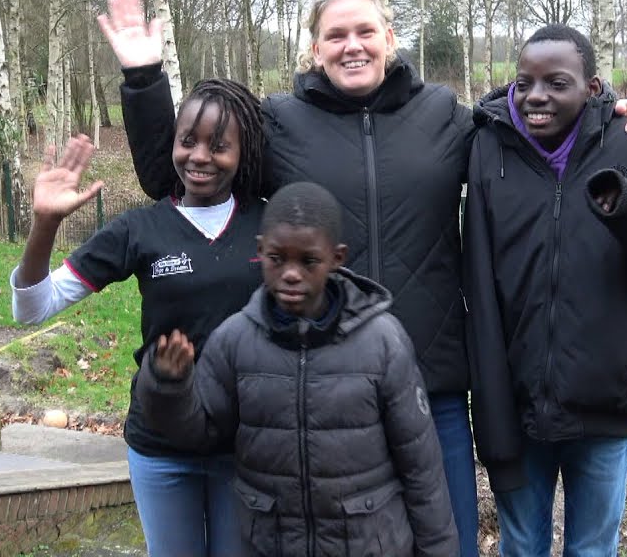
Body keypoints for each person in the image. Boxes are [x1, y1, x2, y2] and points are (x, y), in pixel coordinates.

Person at [98, 0, 627, 557]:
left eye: (365, 31)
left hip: (434, 390)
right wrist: (143, 79)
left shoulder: (443, 115)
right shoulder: (278, 125)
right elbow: (177, 175)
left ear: (389, 38)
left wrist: (612, 109)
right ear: (314, 49)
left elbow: (535, 115)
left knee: (448, 545)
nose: (353, 45)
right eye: (335, 35)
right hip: (324, 398)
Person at [462, 24, 627, 557]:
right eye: (525, 82)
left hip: (604, 405)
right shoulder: (488, 144)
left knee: (594, 550)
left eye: (557, 83)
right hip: (517, 407)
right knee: (521, 546)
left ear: (592, 88)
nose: (536, 96)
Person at [9, 78, 268, 557]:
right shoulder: (139, 229)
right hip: (161, 446)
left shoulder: (269, 226)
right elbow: (32, 307)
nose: (199, 157)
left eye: (218, 146)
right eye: (187, 141)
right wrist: (45, 223)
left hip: (245, 447)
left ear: (243, 152)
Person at [137, 181, 459, 557]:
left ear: (336, 258)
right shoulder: (236, 340)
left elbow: (422, 468)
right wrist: (168, 385)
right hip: (271, 543)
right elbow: (200, 429)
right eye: (278, 259)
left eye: (308, 261)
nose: (291, 274)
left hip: (368, 544)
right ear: (260, 252)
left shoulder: (383, 342)